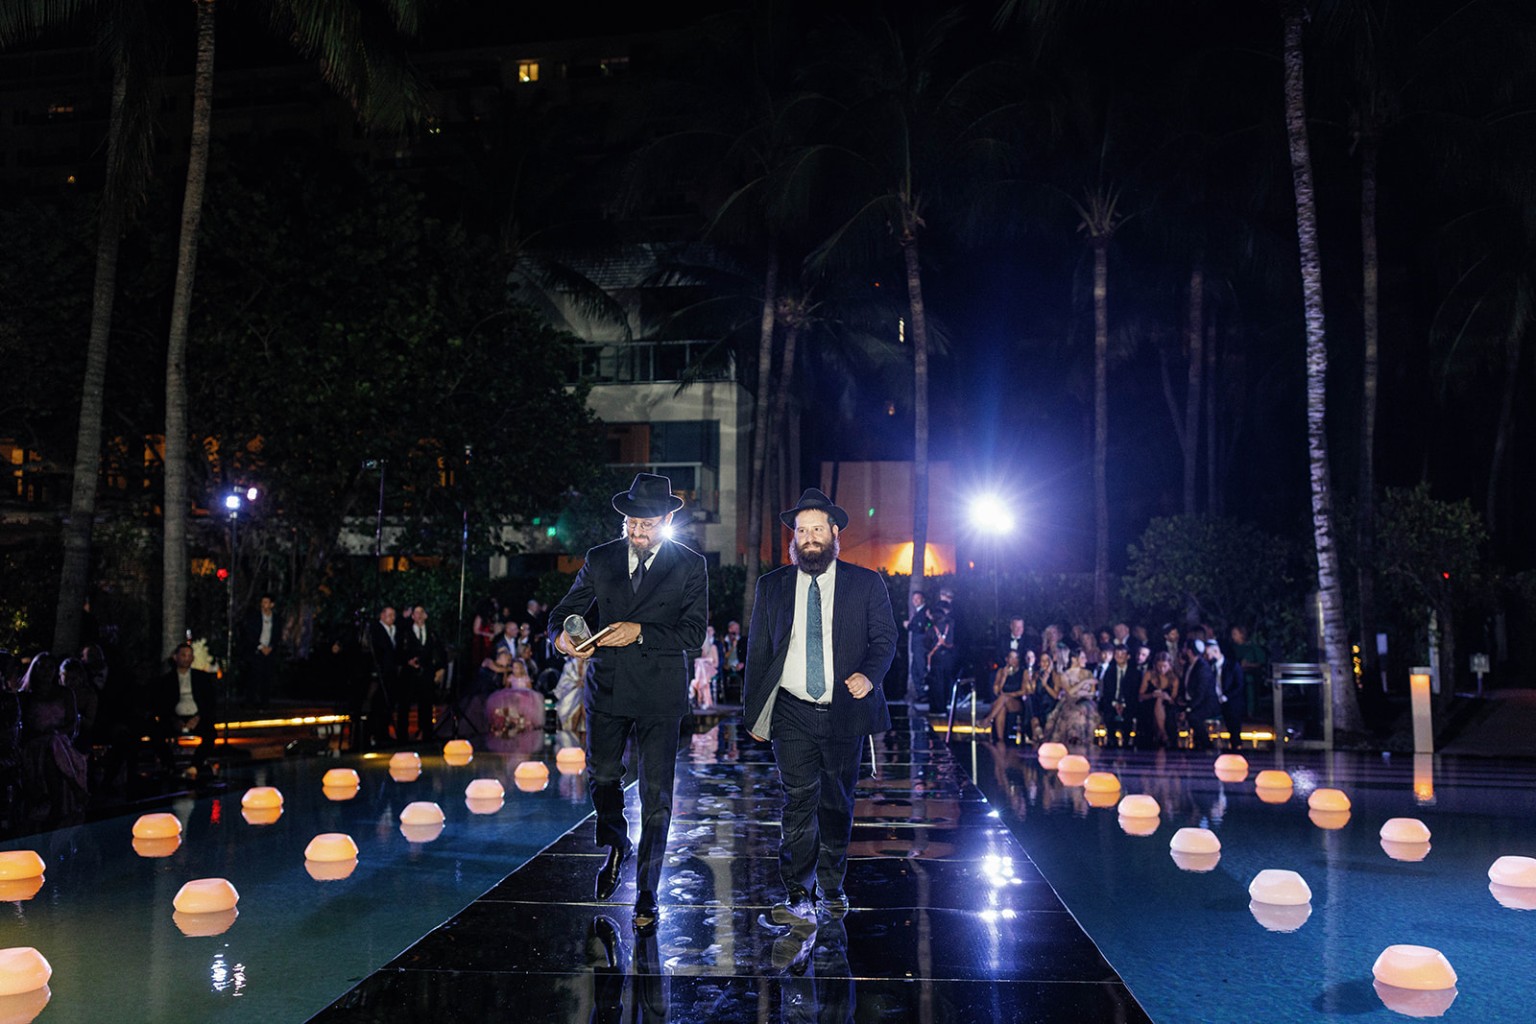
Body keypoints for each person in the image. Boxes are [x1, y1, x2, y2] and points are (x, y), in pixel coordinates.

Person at [548, 472, 708, 933]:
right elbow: (563, 612)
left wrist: (640, 631)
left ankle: (647, 892)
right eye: (632, 524)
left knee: (657, 796)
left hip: (660, 692)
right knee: (601, 776)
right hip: (608, 688)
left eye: (647, 525)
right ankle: (617, 841)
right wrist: (561, 638)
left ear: (666, 522)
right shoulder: (601, 558)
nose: (638, 532)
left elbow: (694, 633)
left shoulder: (690, 565)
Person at [743, 488, 897, 926]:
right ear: (794, 538)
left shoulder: (865, 583)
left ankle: (831, 884)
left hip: (844, 709)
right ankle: (798, 891)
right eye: (801, 530)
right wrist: (755, 713)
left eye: (817, 529)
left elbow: (885, 638)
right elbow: (758, 652)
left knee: (836, 803)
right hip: (791, 710)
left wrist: (868, 674)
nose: (809, 537)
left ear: (834, 534)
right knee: (798, 801)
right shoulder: (772, 586)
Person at [152, 642, 218, 775]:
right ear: (175, 657)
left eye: (189, 655)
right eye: (183, 655)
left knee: (210, 733)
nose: (187, 659)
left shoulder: (201, 677)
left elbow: (209, 701)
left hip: (196, 715)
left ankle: (195, 765)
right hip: (175, 716)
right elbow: (162, 704)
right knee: (156, 734)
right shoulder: (166, 680)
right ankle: (170, 766)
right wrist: (174, 719)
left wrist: (198, 717)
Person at [398, 605, 443, 741]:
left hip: (426, 673)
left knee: (426, 704)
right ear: (412, 616)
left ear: (425, 615)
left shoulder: (432, 633)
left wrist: (440, 669)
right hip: (409, 674)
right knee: (405, 704)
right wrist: (407, 661)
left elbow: (439, 651)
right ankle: (402, 736)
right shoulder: (405, 633)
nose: (419, 615)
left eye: (421, 612)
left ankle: (426, 734)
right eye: (416, 613)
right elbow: (399, 651)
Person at [1042, 648, 1100, 747]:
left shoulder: (1088, 673)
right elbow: (1070, 692)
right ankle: (1073, 739)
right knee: (1072, 712)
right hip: (1070, 702)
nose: (1085, 660)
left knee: (1085, 710)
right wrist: (1084, 683)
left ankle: (1085, 741)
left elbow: (1092, 692)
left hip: (1086, 701)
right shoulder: (1065, 675)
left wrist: (1082, 693)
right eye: (1083, 658)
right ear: (1074, 659)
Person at [366, 606, 401, 746]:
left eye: (393, 615)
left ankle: (383, 732)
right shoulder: (376, 630)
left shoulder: (395, 630)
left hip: (391, 673)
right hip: (380, 672)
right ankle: (374, 733)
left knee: (388, 704)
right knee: (378, 704)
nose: (392, 618)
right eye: (389, 615)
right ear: (382, 615)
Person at [240, 593, 282, 708]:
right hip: (257, 650)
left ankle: (265, 702)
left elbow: (277, 635)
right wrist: (260, 646)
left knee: (267, 677)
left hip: (270, 651)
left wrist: (271, 647)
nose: (264, 605)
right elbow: (249, 634)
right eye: (262, 602)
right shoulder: (254, 617)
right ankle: (250, 701)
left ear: (272, 604)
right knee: (253, 676)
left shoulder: (276, 619)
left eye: (266, 602)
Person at [978, 650, 1030, 742]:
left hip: (1017, 702)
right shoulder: (1001, 671)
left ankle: (987, 720)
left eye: (1016, 658)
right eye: (1011, 658)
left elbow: (1023, 691)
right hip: (1002, 701)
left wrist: (1009, 695)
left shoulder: (1024, 672)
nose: (1013, 660)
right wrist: (1004, 677)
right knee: (1002, 707)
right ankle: (1000, 740)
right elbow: (997, 691)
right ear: (1007, 659)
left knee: (1004, 699)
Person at [1097, 642, 1139, 748]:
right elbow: (1107, 691)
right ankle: (1111, 740)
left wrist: (1123, 704)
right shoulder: (1109, 671)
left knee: (1129, 714)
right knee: (1108, 713)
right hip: (1112, 702)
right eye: (1117, 654)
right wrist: (1115, 703)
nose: (1119, 657)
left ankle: (1127, 741)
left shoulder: (1134, 673)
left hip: (1128, 702)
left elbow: (1134, 692)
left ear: (1128, 656)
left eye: (1122, 654)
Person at [1137, 650, 1180, 749]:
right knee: (1157, 700)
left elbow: (1173, 700)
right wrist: (1152, 695)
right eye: (1159, 666)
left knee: (1160, 700)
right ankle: (1163, 734)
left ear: (1170, 665)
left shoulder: (1174, 679)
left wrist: (1167, 697)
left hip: (1167, 706)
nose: (1162, 669)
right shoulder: (1149, 675)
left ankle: (1162, 734)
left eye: (1165, 666)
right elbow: (1140, 696)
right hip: (1149, 703)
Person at [904, 591, 932, 706]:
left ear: (922, 599)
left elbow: (923, 626)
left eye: (918, 598)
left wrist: (909, 626)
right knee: (915, 671)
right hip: (917, 647)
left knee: (921, 671)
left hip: (921, 647)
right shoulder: (918, 612)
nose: (915, 601)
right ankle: (922, 695)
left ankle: (926, 695)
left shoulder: (925, 611)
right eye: (914, 599)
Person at [691, 625, 720, 709]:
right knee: (700, 667)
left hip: (711, 670)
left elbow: (716, 664)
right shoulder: (699, 650)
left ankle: (696, 696)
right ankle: (703, 700)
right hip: (701, 672)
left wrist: (706, 662)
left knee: (701, 667)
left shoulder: (713, 647)